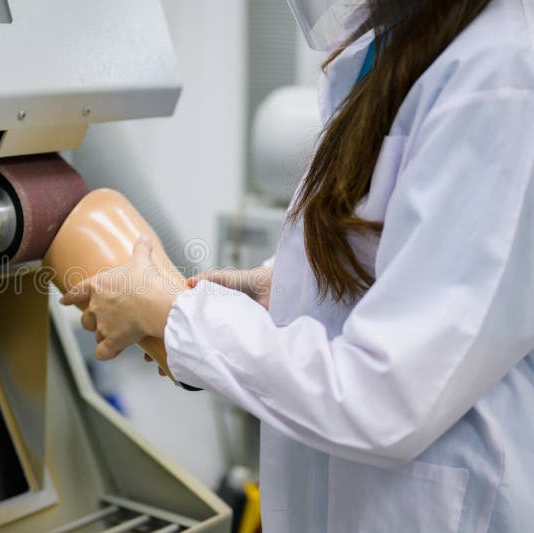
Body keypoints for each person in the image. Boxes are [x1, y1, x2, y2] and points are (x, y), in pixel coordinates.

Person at [61, 0, 534, 530]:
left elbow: (388, 397)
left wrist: (178, 317)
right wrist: (286, 286)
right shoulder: (394, 43)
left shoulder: (500, 76)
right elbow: (404, 252)